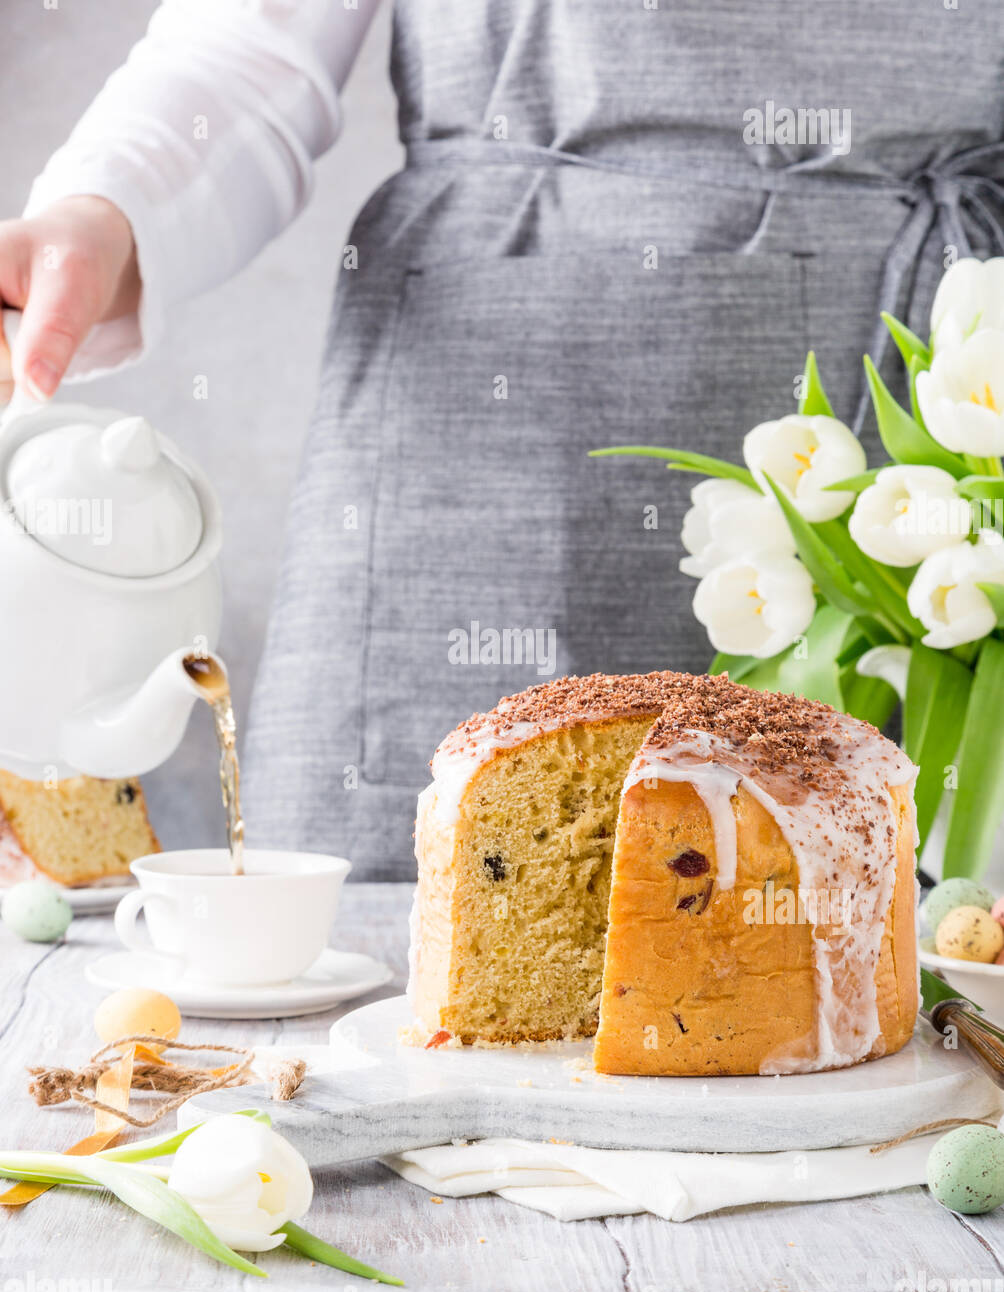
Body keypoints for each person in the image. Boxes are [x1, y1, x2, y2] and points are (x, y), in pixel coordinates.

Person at [1, 0, 1001, 878]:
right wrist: (106, 212)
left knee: (912, 980)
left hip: (954, 389)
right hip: (500, 427)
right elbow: (249, 49)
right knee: (409, 964)